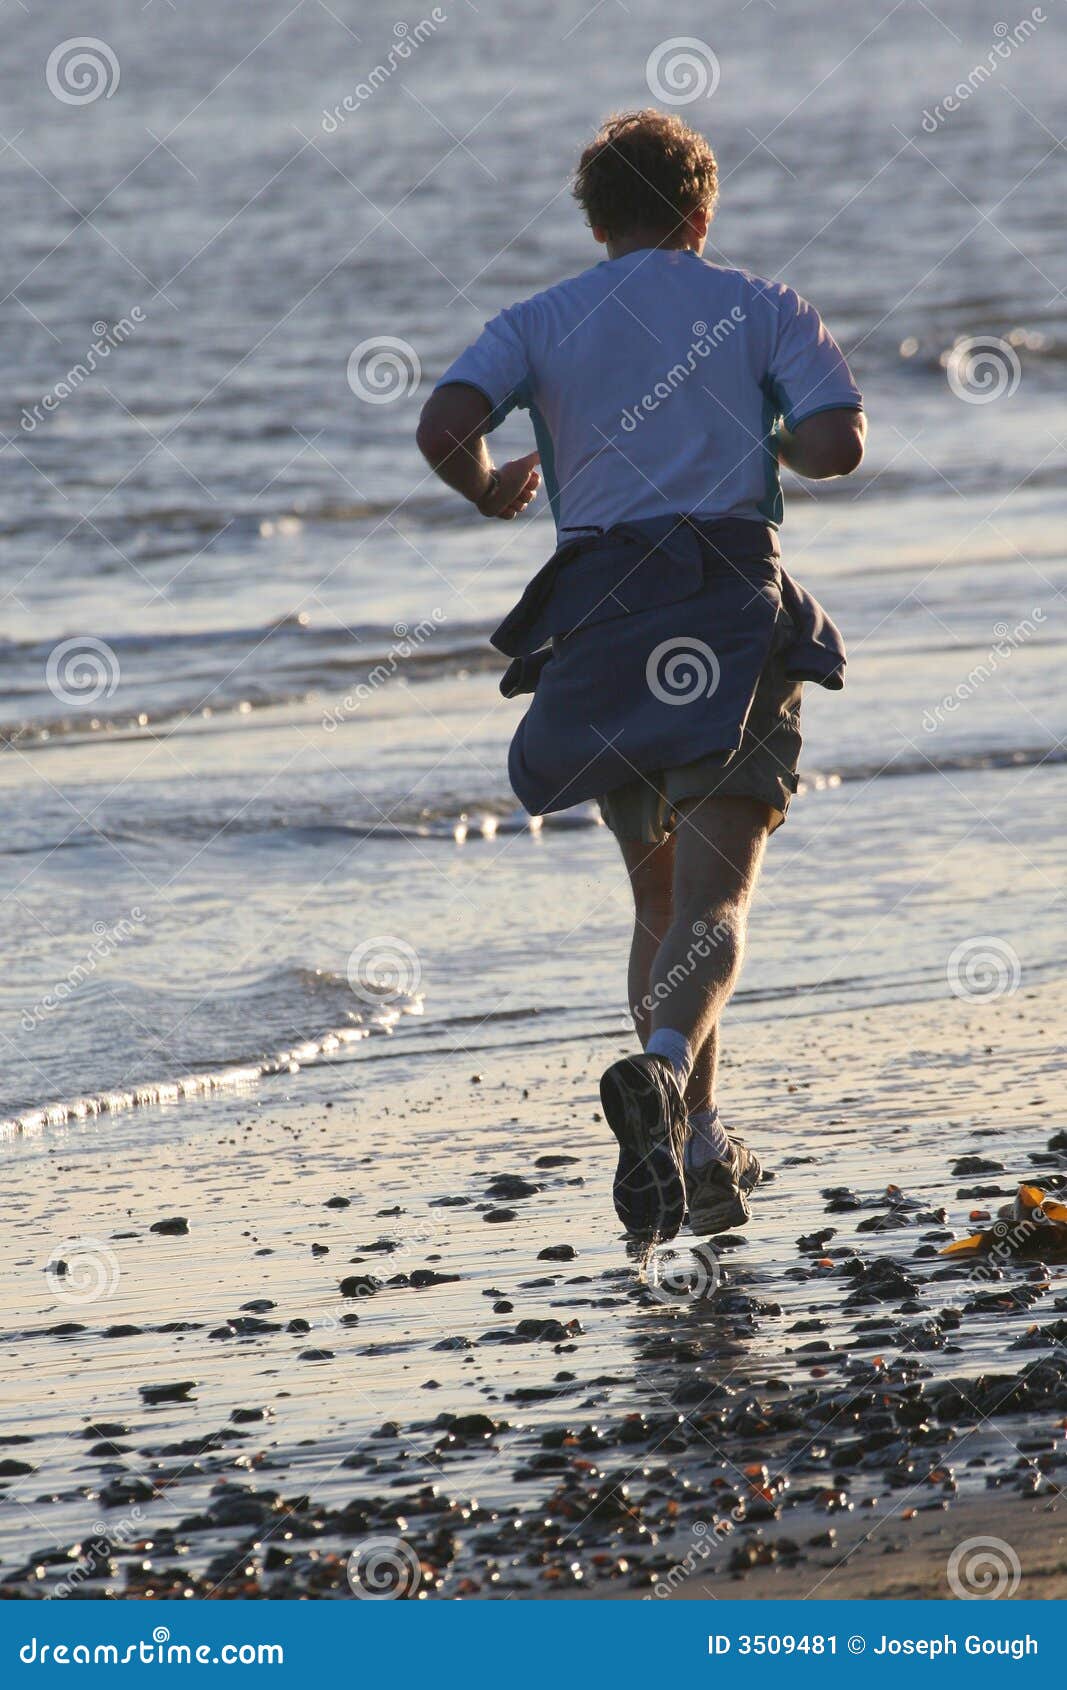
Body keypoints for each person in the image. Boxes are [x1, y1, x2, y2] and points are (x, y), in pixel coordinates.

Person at [416, 109, 865, 1243]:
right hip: (725, 606)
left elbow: (442, 424)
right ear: (700, 214)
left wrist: (484, 487)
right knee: (714, 898)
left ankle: (693, 1145)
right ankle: (665, 1074)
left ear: (596, 221)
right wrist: (770, 439)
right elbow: (831, 447)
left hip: (604, 623)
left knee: (657, 902)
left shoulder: (539, 317)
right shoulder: (759, 306)